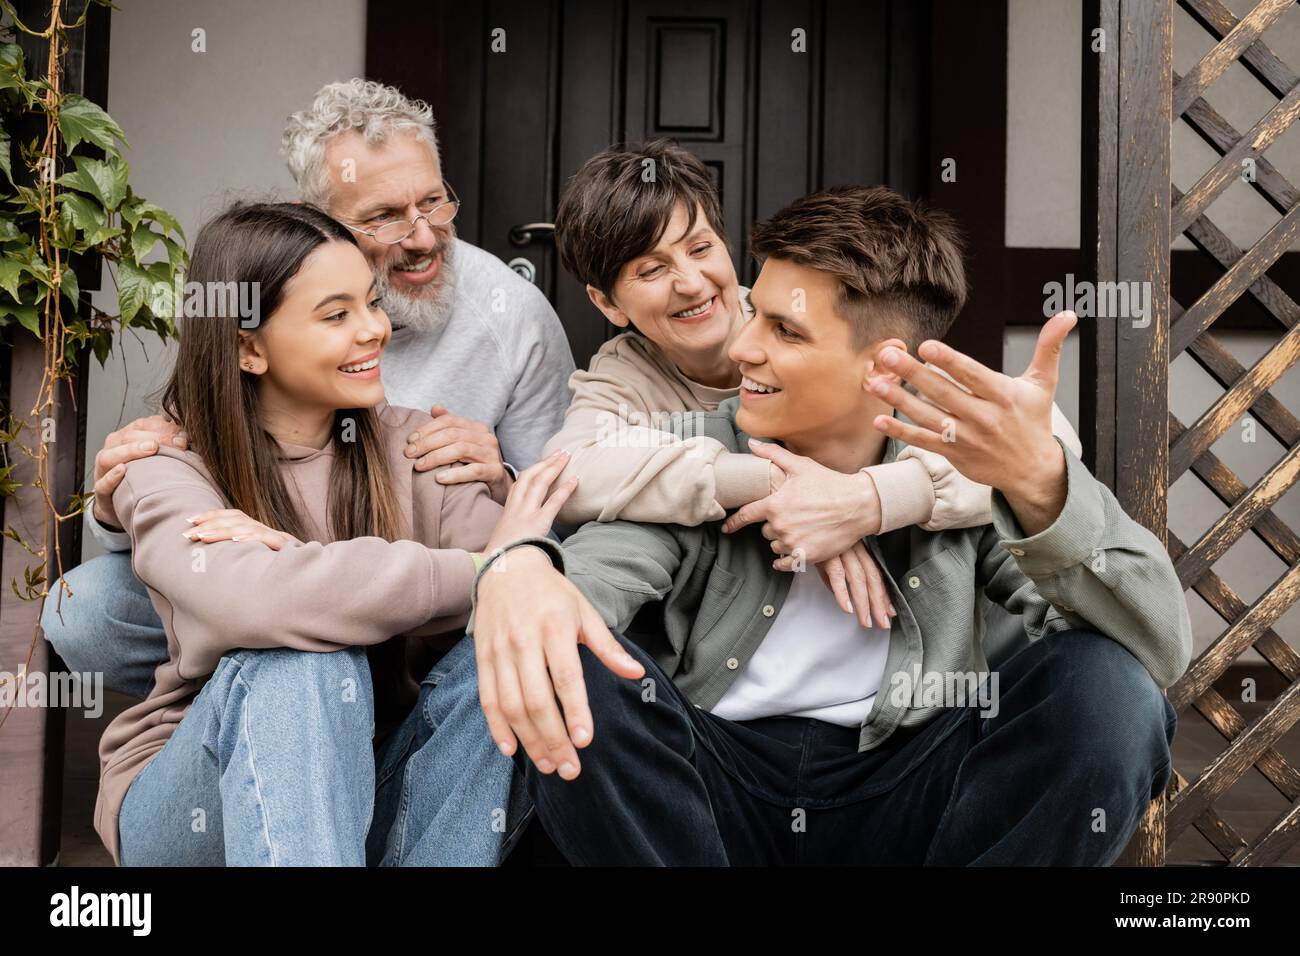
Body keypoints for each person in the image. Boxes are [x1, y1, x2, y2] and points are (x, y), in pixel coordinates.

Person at [466, 185, 1193, 865]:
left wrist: (1023, 483)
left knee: (1110, 689)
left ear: (884, 367)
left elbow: (1153, 645)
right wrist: (527, 572)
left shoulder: (957, 469)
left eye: (783, 329)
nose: (743, 347)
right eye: (756, 314)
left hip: (916, 784)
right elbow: (598, 566)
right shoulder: (695, 455)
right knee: (565, 651)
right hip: (719, 791)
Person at [44, 78, 575, 704]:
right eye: (383, 217)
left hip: (423, 612)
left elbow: (552, 523)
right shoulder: (250, 295)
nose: (424, 237)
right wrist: (115, 513)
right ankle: (247, 723)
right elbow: (193, 478)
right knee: (89, 609)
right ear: (312, 220)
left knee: (507, 614)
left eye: (433, 202)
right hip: (272, 568)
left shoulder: (512, 312)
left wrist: (502, 481)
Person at [96, 201, 566, 866]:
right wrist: (483, 568)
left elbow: (517, 585)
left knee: (501, 650)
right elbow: (256, 604)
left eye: (372, 304)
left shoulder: (422, 446)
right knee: (299, 659)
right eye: (336, 314)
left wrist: (294, 565)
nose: (375, 329)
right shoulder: (167, 466)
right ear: (247, 346)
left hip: (374, 780)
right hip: (195, 808)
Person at [541, 139, 1082, 631]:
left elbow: (1035, 440)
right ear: (607, 303)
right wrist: (780, 486)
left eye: (700, 248)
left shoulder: (811, 319)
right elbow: (570, 478)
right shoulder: (623, 377)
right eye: (651, 270)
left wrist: (865, 500)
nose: (691, 282)